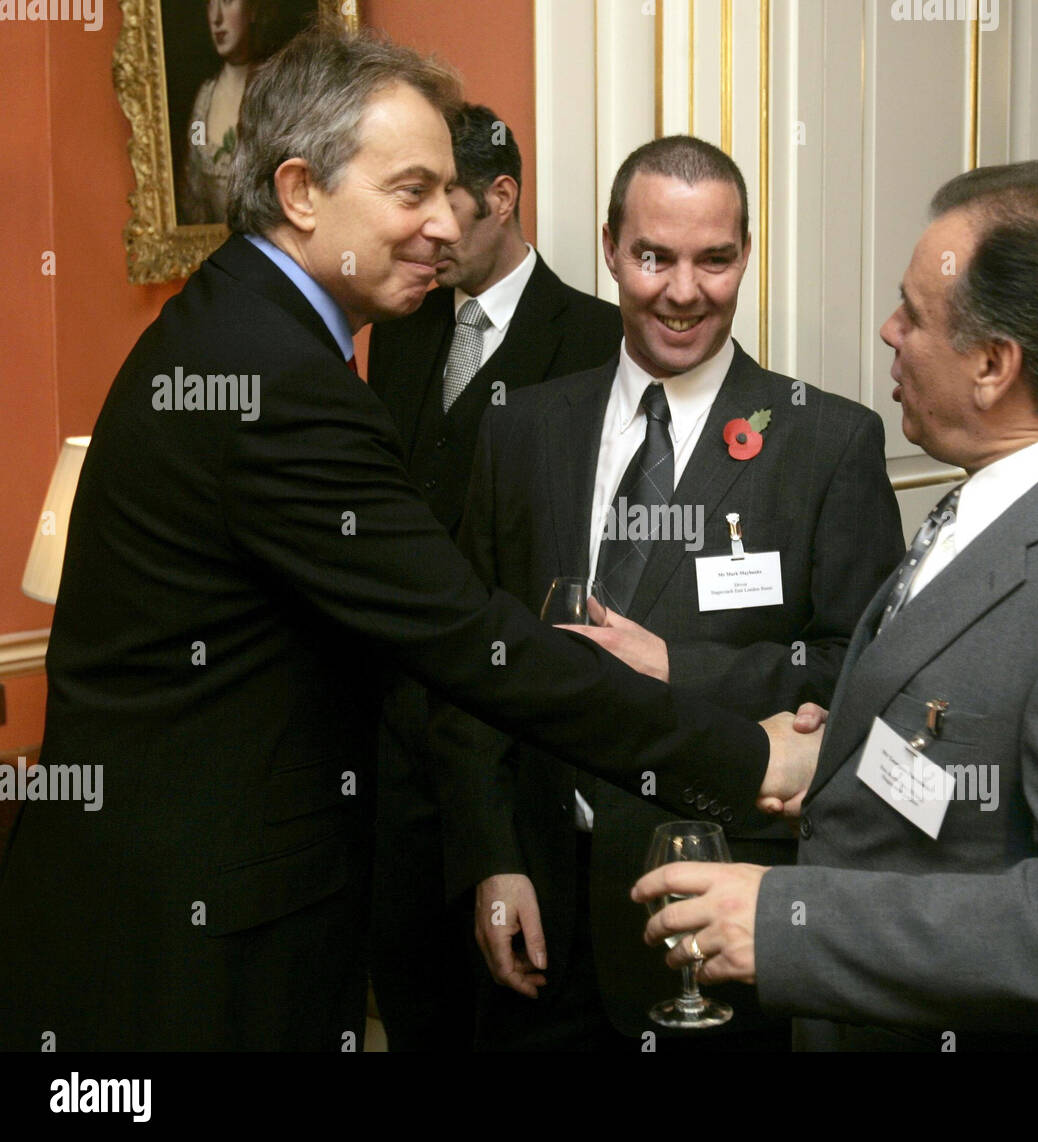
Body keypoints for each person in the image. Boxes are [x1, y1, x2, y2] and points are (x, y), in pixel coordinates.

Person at [0, 31, 818, 1052]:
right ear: (301, 191)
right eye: (413, 190)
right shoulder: (277, 382)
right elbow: (473, 638)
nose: (448, 223)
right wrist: (746, 751)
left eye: (451, 191)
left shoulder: (239, 330)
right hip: (196, 932)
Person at [634, 160, 1038, 1052]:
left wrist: (790, 919)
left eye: (914, 315)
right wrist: (838, 758)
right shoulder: (1015, 489)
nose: (889, 331)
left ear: (995, 364)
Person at [440, 135, 903, 1051]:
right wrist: (494, 862)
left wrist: (674, 665)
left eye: (714, 260)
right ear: (611, 248)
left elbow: (862, 675)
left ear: (745, 255)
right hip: (541, 911)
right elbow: (468, 670)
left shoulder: (827, 444)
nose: (683, 291)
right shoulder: (523, 431)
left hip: (714, 917)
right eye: (654, 257)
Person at [365, 105, 624, 1051]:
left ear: (502, 197)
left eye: (445, 203)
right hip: (393, 729)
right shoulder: (401, 325)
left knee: (513, 1010)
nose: (424, 232)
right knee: (411, 986)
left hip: (510, 730)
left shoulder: (597, 340)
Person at [179, 0, 290, 226]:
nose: (216, 18)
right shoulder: (205, 98)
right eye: (210, 4)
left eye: (228, 2)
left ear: (254, 9)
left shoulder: (277, 90)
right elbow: (194, 195)